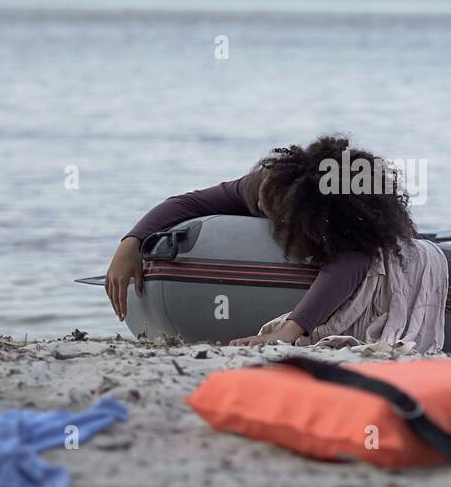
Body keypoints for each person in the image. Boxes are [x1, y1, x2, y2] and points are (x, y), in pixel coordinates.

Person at [106, 135, 421, 346]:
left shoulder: (341, 224)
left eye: (283, 218)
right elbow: (188, 203)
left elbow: (349, 262)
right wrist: (130, 243)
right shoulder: (264, 186)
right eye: (266, 209)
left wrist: (289, 330)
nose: (269, 216)